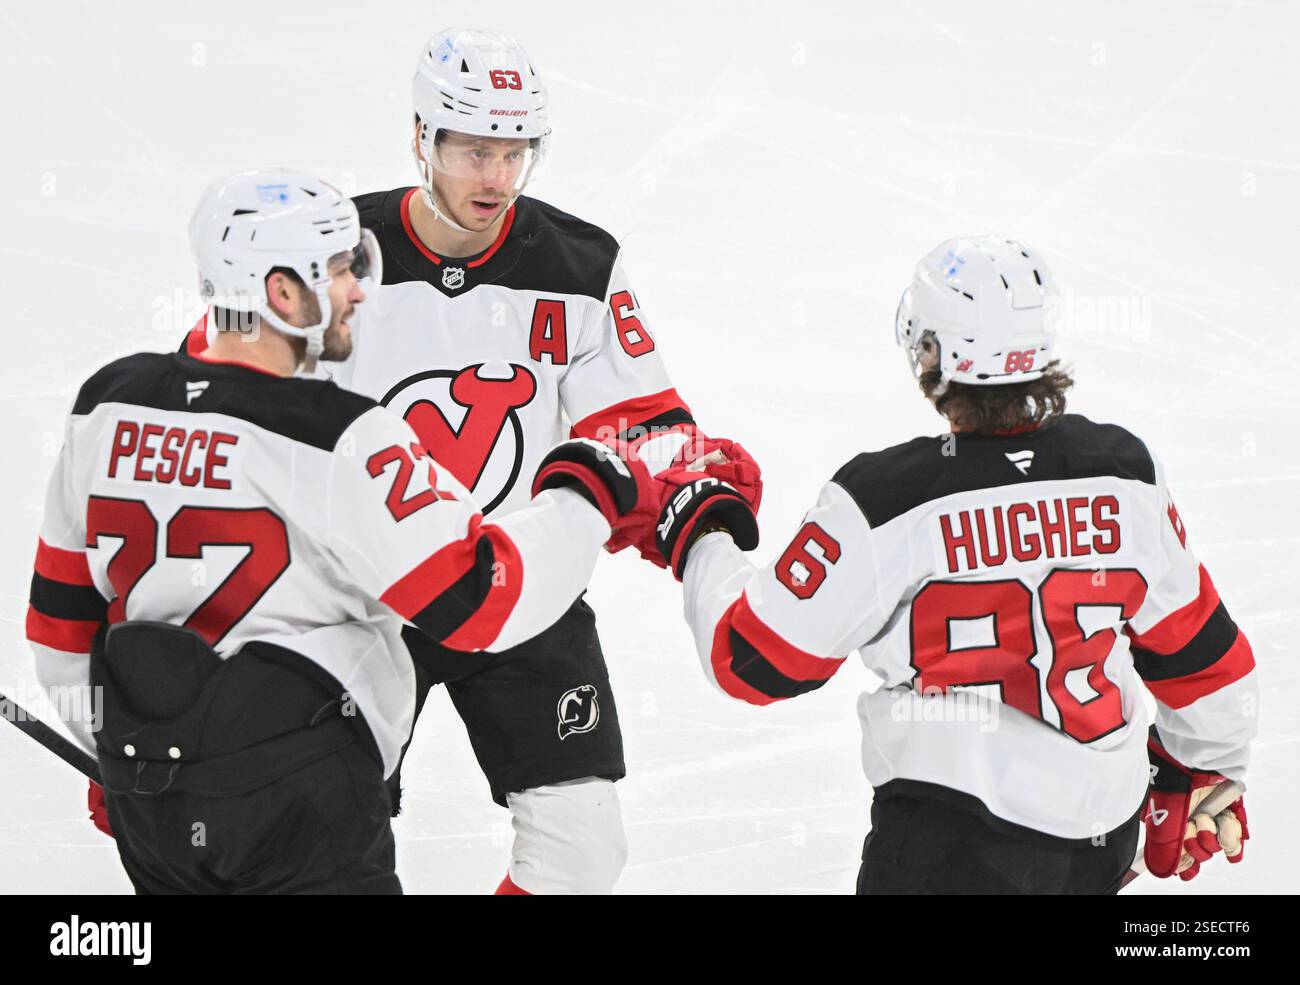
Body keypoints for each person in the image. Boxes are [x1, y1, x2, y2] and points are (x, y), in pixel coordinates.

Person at [186, 28, 762, 894]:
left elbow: (642, 427)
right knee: (319, 843)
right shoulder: (331, 252)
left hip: (517, 576)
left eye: (515, 152)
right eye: (474, 150)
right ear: (421, 137)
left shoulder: (580, 266)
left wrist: (692, 506)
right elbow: (214, 402)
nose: (497, 177)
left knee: (582, 851)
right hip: (359, 596)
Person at [26, 168, 653, 894]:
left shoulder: (105, 404)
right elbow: (478, 600)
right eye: (338, 269)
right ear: (281, 294)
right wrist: (587, 492)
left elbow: (59, 635)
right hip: (304, 809)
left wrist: (124, 754)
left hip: (157, 815)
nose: (359, 288)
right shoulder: (341, 437)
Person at [648, 235, 1256, 893]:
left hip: (949, 845)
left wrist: (701, 525)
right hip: (1098, 845)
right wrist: (1198, 774)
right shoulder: (1124, 473)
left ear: (932, 353)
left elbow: (754, 659)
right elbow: (1203, 658)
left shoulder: (886, 497)